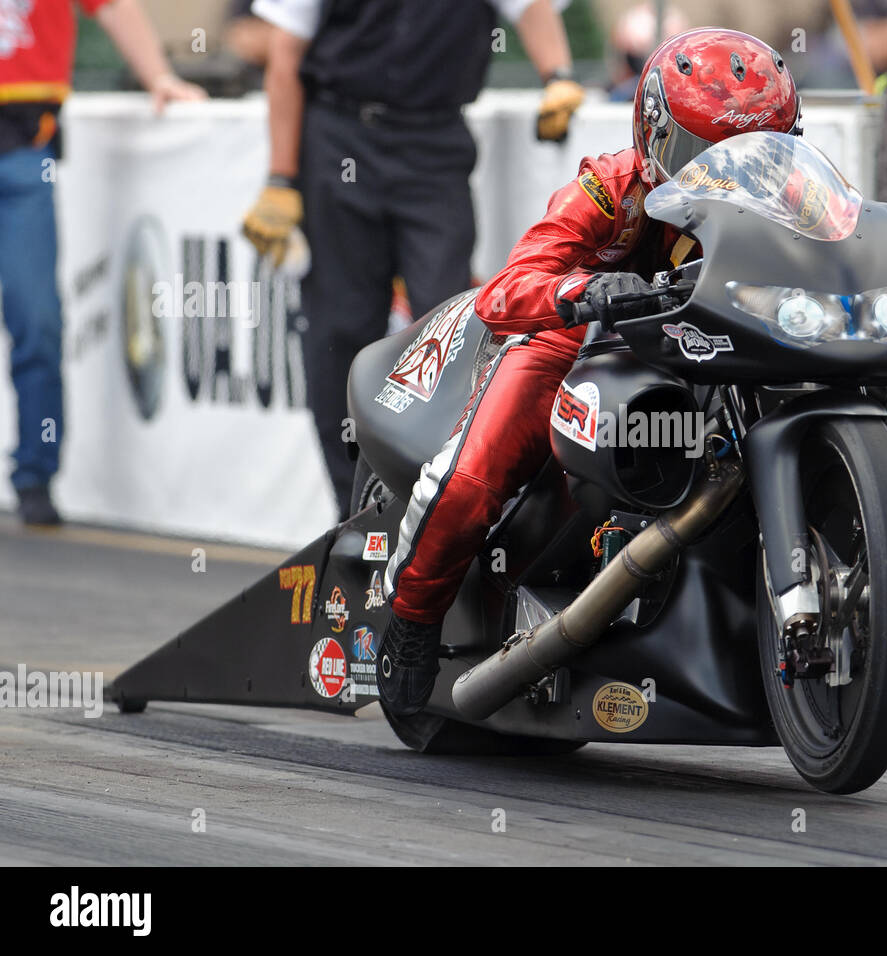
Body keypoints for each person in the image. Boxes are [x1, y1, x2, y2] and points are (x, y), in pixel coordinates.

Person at [377, 27, 803, 715]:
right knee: (467, 483)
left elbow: (856, 236)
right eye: (704, 156)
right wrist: (580, 293)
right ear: (657, 136)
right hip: (585, 344)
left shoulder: (795, 193)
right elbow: (504, 292)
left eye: (758, 154)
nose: (729, 177)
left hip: (728, 348)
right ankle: (412, 617)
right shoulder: (609, 189)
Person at [241, 0, 585, 520]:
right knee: (339, 328)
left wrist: (558, 75)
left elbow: (532, 7)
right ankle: (352, 512)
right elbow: (285, 55)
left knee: (455, 326)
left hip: (433, 141)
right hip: (337, 136)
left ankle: (443, 503)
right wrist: (281, 178)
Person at [0, 0, 205, 526]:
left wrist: (158, 75)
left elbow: (112, 5)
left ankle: (35, 475)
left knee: (38, 317)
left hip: (24, 146)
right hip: (25, 155)